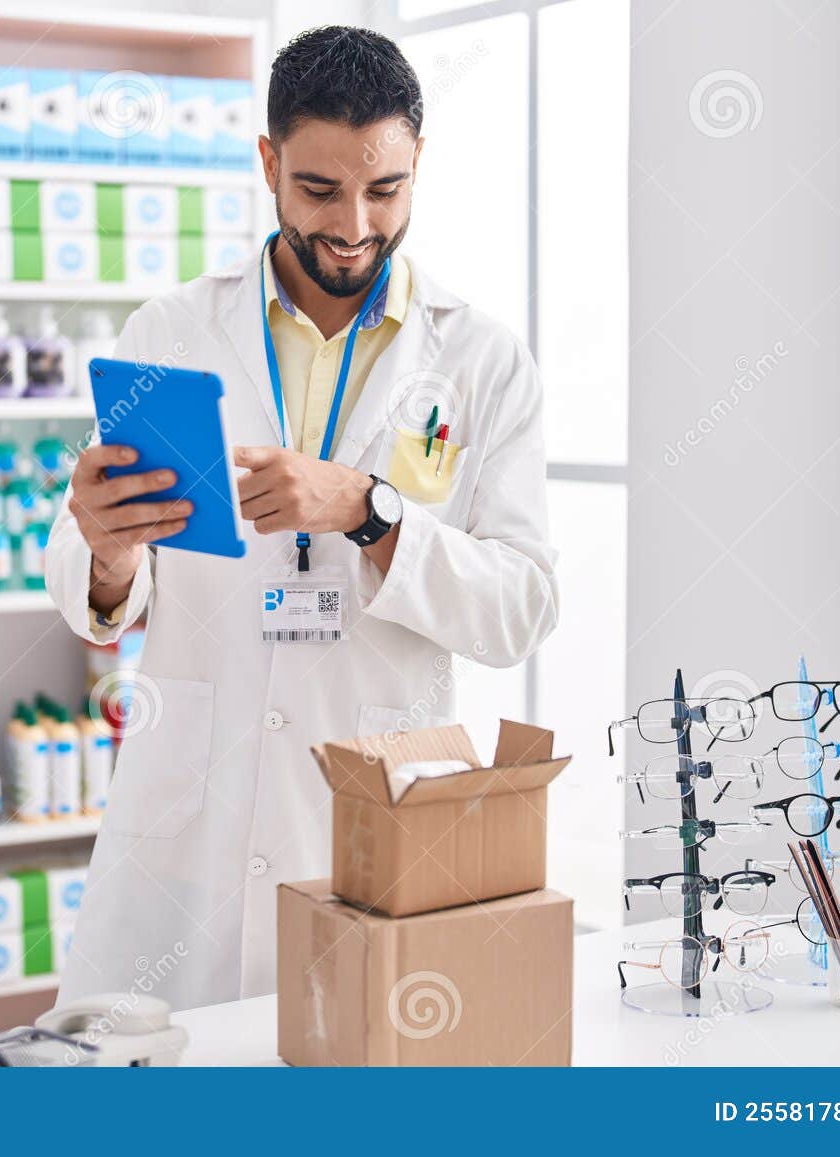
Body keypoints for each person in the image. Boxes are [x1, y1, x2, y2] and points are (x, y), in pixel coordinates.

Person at [47, 25, 559, 1010]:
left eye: (386, 190)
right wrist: (106, 548)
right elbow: (94, 591)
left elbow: (522, 609)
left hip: (378, 805)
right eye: (320, 190)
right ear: (269, 164)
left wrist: (371, 511)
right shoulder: (173, 330)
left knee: (361, 1075)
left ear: (418, 165)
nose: (354, 225)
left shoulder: (482, 361)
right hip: (196, 806)